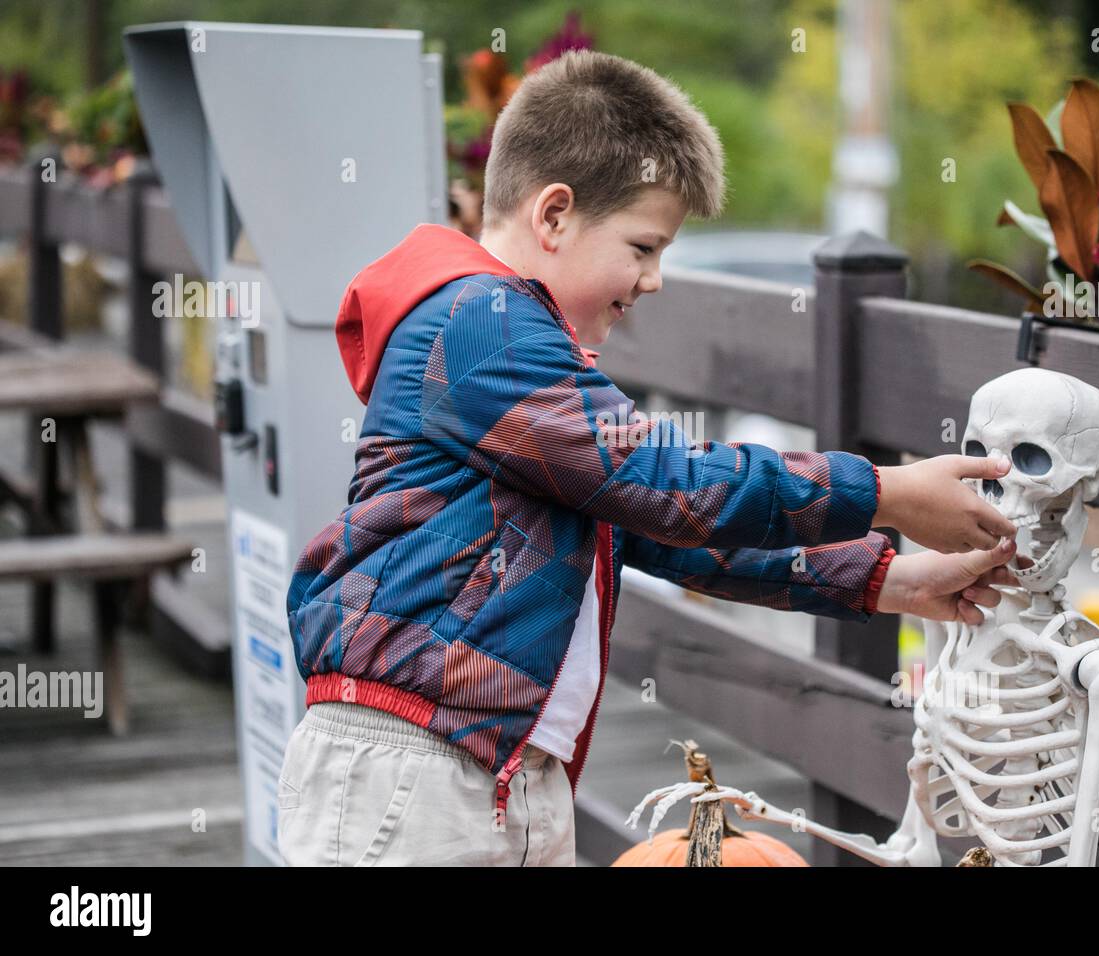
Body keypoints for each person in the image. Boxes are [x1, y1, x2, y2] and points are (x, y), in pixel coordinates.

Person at [276, 50, 1019, 866]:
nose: (656, 279)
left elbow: (660, 530)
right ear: (553, 216)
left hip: (493, 771)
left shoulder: (521, 350)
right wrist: (885, 490)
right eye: (644, 246)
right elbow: (669, 484)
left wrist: (885, 578)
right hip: (414, 773)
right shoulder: (482, 323)